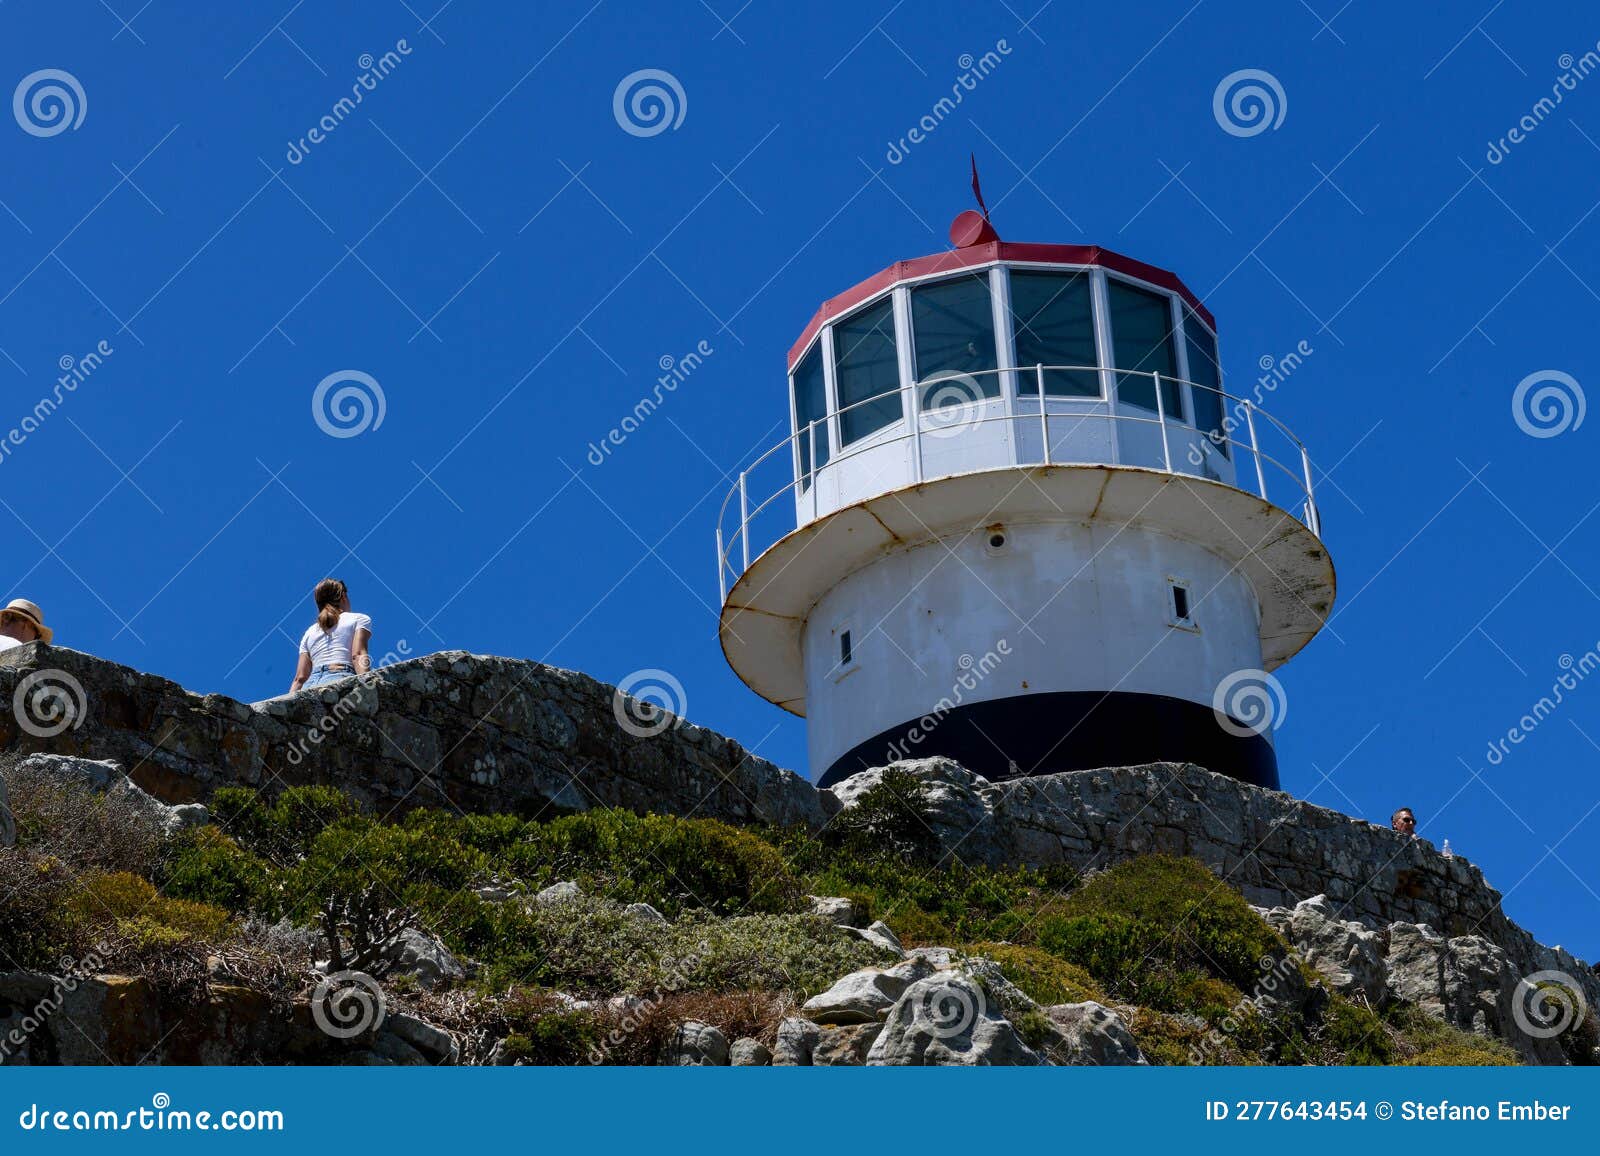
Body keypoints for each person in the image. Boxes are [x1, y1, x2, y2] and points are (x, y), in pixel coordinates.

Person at [288, 578, 371, 693]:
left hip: (311, 684)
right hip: (341, 676)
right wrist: (367, 685)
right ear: (344, 596)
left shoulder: (309, 633)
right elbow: (357, 655)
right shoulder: (359, 619)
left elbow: (300, 678)